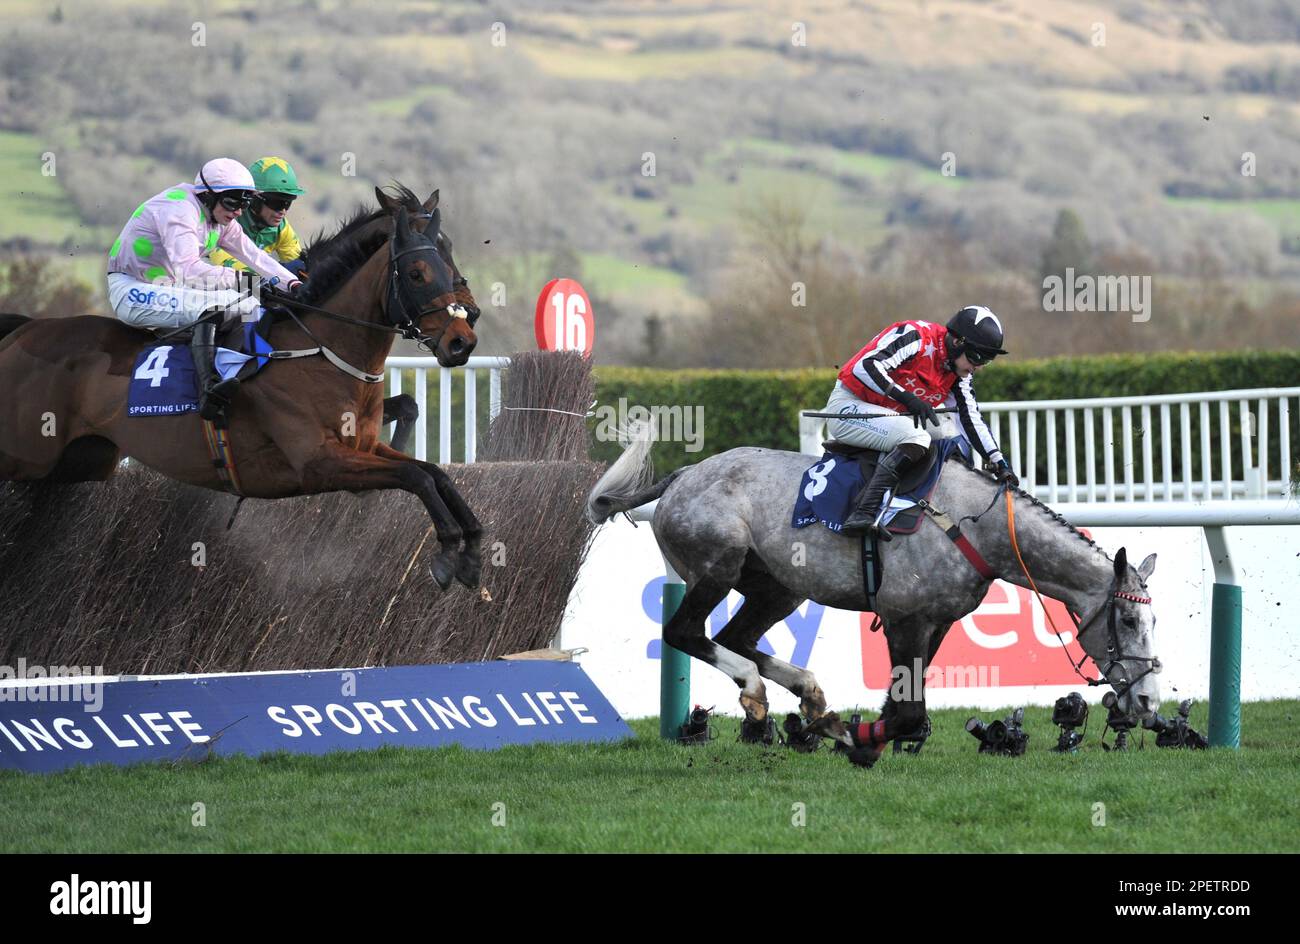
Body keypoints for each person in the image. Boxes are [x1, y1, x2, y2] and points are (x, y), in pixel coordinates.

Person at [106, 158, 301, 420]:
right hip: (132, 290)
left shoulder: (219, 217)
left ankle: (235, 374)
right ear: (207, 195)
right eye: (232, 203)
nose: (237, 212)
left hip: (169, 289)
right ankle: (209, 391)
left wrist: (293, 284)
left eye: (243, 203)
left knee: (250, 306)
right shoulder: (180, 210)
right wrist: (249, 283)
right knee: (217, 306)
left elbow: (255, 257)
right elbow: (190, 270)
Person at [827, 305, 1019, 539]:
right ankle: (863, 511)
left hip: (890, 415)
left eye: (985, 362)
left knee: (950, 433)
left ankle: (932, 509)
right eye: (976, 358)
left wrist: (998, 461)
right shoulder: (915, 336)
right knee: (917, 437)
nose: (977, 368)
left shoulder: (958, 373)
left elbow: (970, 417)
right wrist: (906, 397)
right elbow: (864, 367)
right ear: (957, 342)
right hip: (848, 407)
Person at [209, 156, 306, 277]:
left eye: (287, 204)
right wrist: (276, 271)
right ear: (254, 199)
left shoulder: (282, 229)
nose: (283, 211)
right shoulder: (227, 217)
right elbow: (219, 259)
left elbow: (297, 265)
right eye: (277, 203)